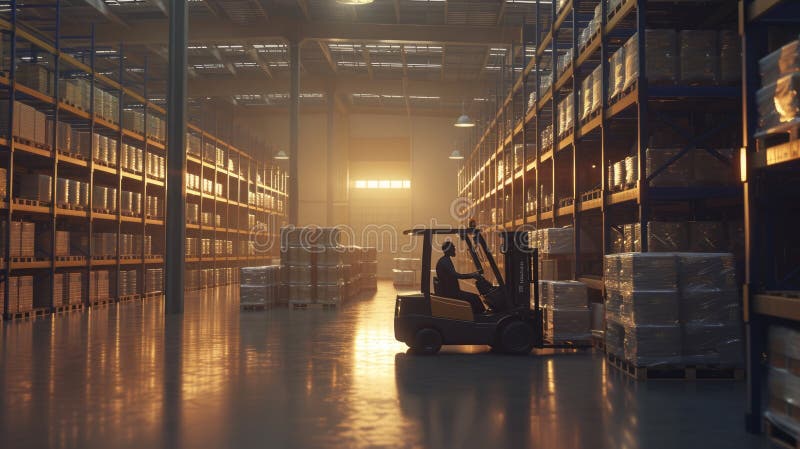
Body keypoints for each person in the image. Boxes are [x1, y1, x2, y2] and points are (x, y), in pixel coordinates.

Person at [435, 240, 486, 314]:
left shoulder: (445, 260)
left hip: (451, 291)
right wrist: (472, 275)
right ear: (449, 250)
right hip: (452, 293)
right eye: (453, 248)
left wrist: (472, 274)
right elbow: (457, 275)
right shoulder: (445, 262)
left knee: (473, 298)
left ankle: (476, 315)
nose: (455, 249)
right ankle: (481, 317)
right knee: (475, 298)